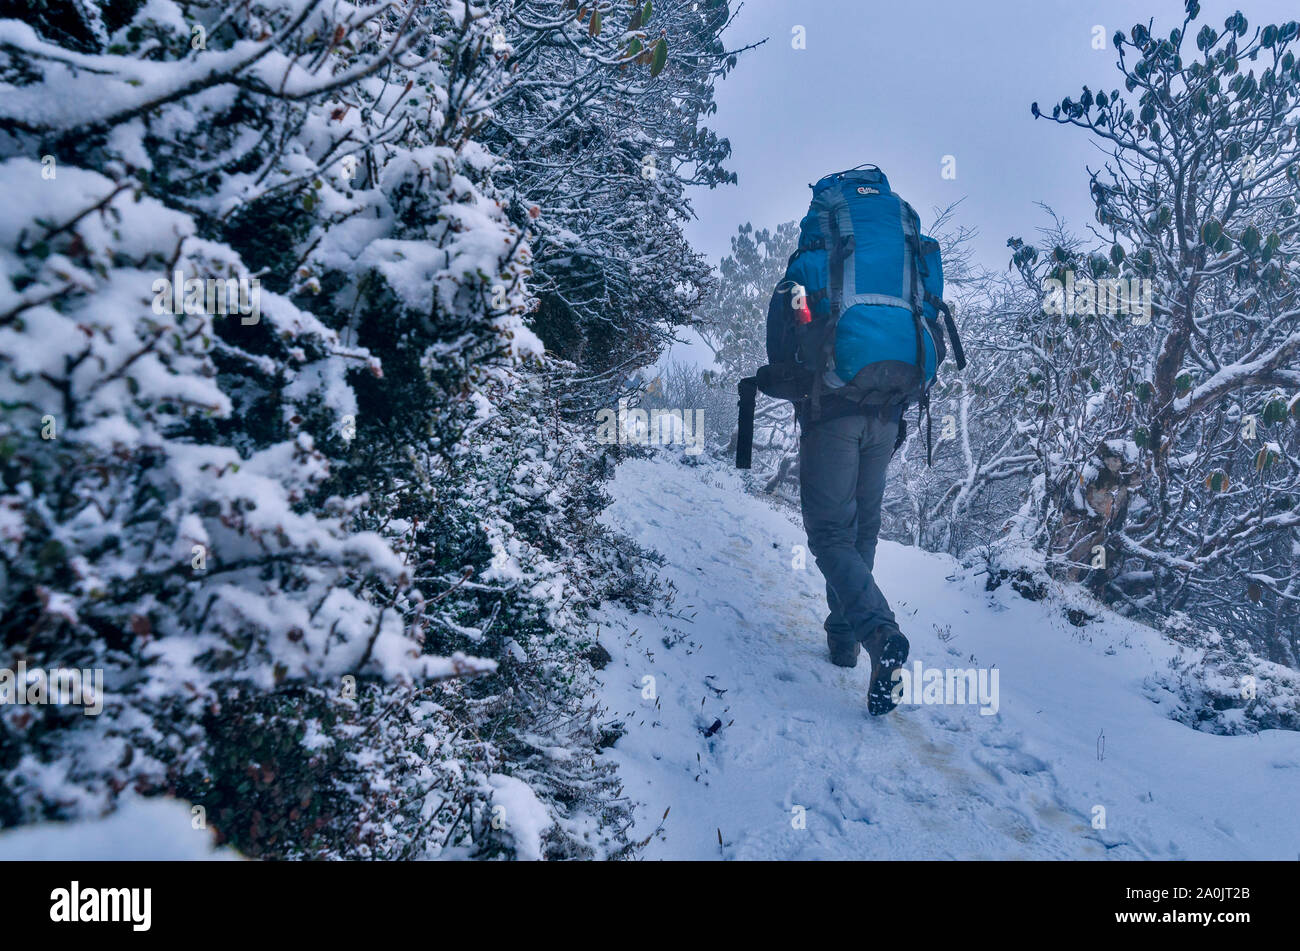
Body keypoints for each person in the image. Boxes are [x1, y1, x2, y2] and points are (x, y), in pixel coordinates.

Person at [797, 391, 910, 717]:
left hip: (833, 413)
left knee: (831, 536)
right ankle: (845, 640)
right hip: (887, 418)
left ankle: (879, 633)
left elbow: (782, 355)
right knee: (860, 534)